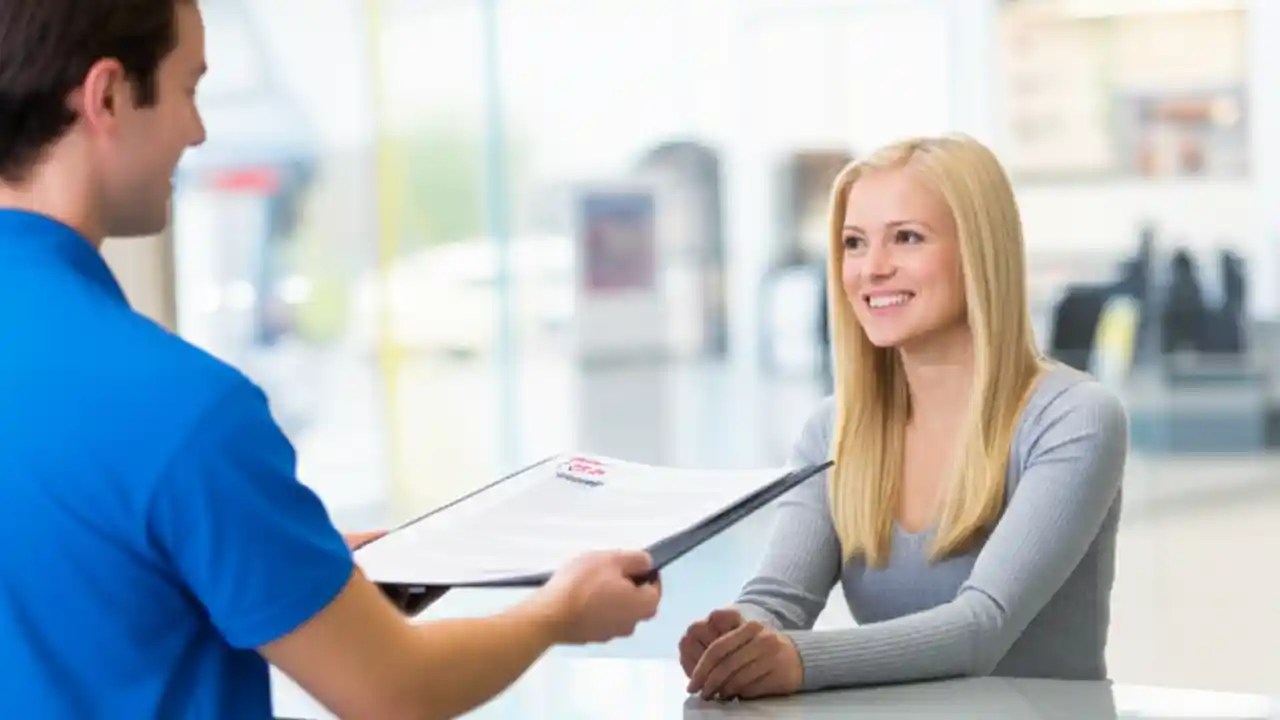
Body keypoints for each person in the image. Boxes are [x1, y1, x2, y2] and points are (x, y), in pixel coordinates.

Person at [0, 1, 660, 718]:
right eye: (190, 90)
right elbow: (393, 690)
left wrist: (285, 560)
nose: (198, 131)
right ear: (108, 96)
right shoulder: (179, 408)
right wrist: (557, 614)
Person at [678, 135, 1128, 700]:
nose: (873, 269)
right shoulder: (833, 430)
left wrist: (795, 658)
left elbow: (979, 627)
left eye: (907, 238)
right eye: (854, 243)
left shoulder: (1073, 418)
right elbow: (777, 600)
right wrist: (737, 640)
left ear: (979, 252)